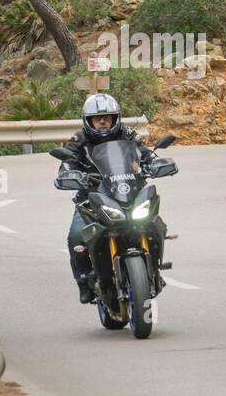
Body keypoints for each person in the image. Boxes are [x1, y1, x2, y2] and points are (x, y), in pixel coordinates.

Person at [57, 93, 155, 304]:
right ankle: (83, 281)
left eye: (108, 117)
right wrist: (70, 174)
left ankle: (153, 269)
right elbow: (66, 163)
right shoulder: (79, 140)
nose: (103, 121)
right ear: (88, 121)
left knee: (156, 223)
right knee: (75, 237)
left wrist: (155, 163)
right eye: (97, 118)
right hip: (92, 198)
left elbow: (145, 153)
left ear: (115, 118)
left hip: (128, 193)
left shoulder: (126, 134)